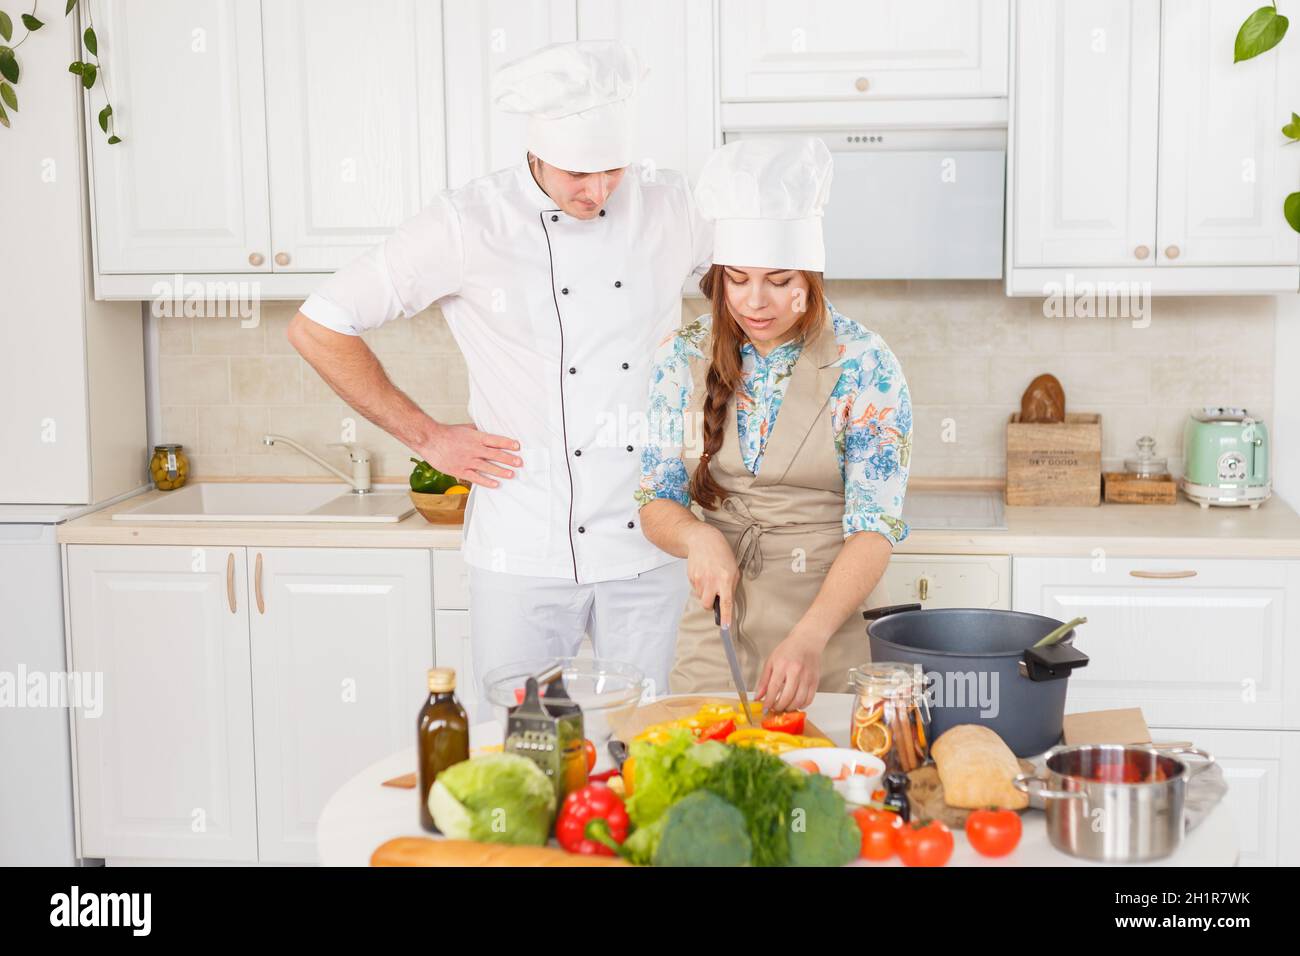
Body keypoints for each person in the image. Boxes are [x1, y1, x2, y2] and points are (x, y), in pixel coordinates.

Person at [288, 41, 711, 712]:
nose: (597, 191)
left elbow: (756, 299)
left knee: (643, 749)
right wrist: (427, 437)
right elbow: (318, 324)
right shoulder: (467, 222)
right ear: (537, 152)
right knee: (521, 754)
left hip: (649, 545)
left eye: (612, 170)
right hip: (523, 550)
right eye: (578, 172)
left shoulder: (673, 205)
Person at [637, 137, 912, 713]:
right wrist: (698, 536)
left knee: (825, 786)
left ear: (811, 277)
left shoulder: (864, 364)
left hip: (829, 628)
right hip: (718, 629)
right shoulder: (681, 358)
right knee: (704, 784)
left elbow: (874, 528)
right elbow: (656, 498)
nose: (755, 301)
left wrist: (811, 637)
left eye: (780, 280)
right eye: (736, 279)